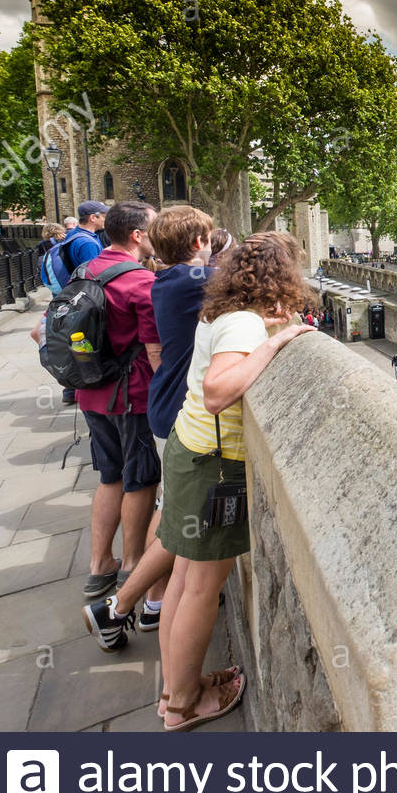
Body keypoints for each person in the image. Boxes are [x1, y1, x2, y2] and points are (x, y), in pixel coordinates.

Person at [156, 231, 315, 731]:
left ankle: (173, 689)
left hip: (188, 449)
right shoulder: (245, 323)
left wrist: (262, 332)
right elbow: (218, 390)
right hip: (212, 466)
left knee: (182, 580)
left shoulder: (225, 312)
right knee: (202, 588)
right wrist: (280, 340)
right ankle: (184, 705)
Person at [83, 205, 217, 652]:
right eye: (209, 238)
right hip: (166, 408)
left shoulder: (153, 278)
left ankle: (148, 598)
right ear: (199, 243)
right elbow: (248, 277)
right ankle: (118, 605)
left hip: (138, 402)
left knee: (162, 501)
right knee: (175, 513)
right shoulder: (184, 281)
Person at [76, 202, 163, 601]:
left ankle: (98, 567)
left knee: (109, 476)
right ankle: (130, 567)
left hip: (90, 392)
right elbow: (154, 351)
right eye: (153, 227)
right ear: (136, 235)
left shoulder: (86, 270)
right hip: (131, 397)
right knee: (140, 478)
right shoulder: (140, 281)